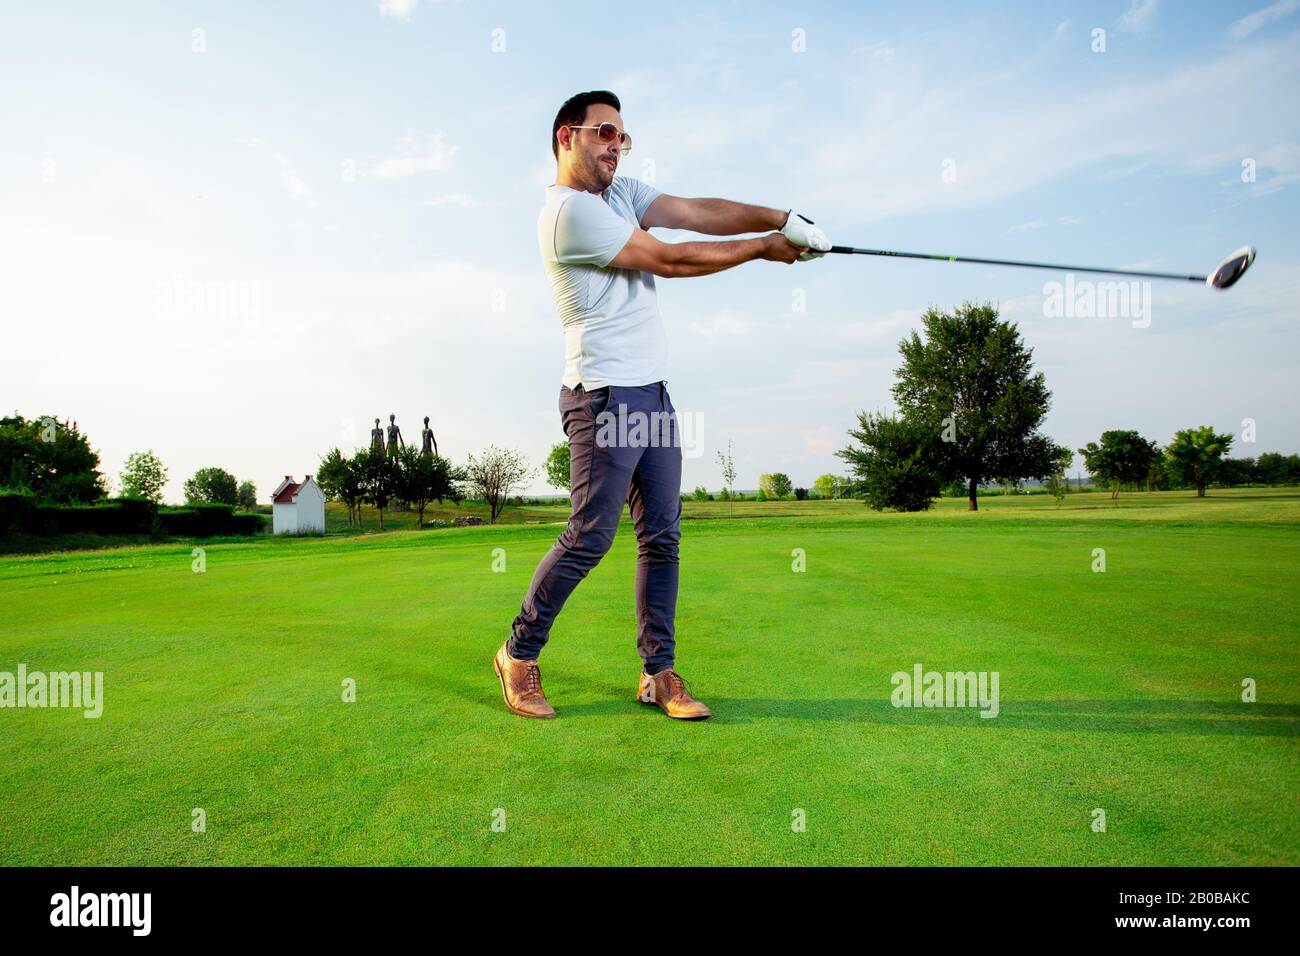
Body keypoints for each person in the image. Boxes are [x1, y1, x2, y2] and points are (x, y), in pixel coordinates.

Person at [493, 90, 829, 720]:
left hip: (652, 394)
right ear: (567, 138)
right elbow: (671, 258)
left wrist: (784, 217)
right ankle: (518, 654)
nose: (616, 145)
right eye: (603, 133)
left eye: (622, 136)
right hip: (602, 397)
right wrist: (764, 248)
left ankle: (658, 674)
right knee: (591, 535)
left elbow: (697, 213)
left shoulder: (619, 194)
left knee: (663, 537)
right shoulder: (568, 214)